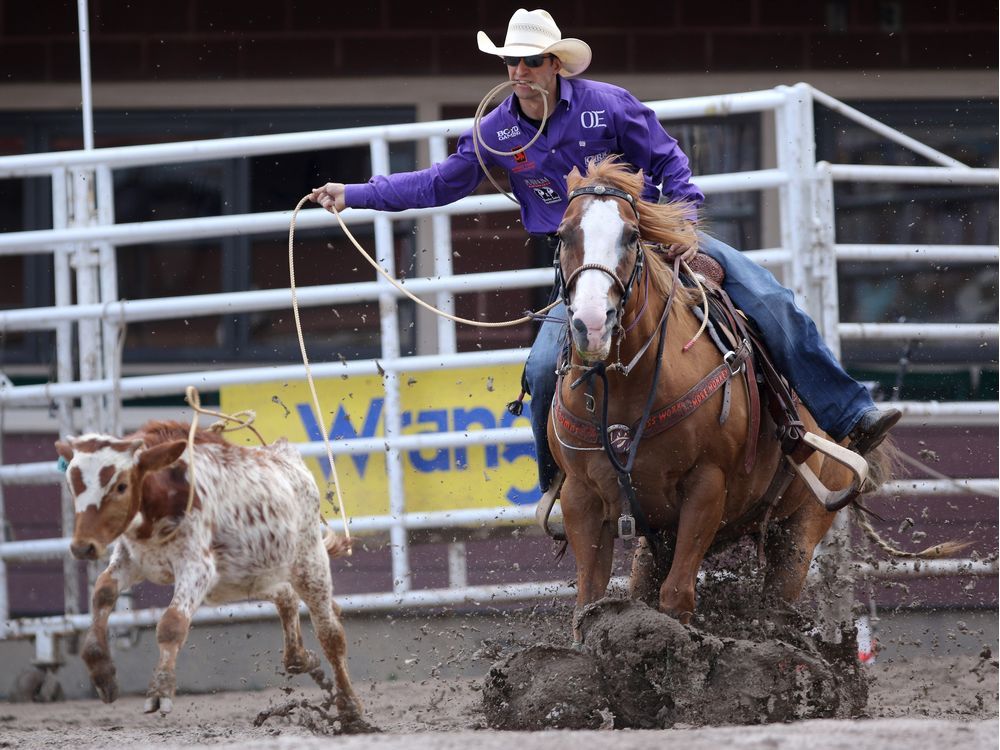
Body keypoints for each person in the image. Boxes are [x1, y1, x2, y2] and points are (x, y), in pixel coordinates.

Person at [310, 8, 901, 508]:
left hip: (650, 236)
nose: (520, 72)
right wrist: (355, 194)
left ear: (555, 65)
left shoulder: (609, 106)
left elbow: (671, 165)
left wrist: (684, 228)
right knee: (543, 370)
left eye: (531, 61)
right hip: (582, 264)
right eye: (511, 63)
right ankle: (558, 481)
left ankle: (845, 413)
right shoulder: (496, 133)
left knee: (769, 299)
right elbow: (439, 184)